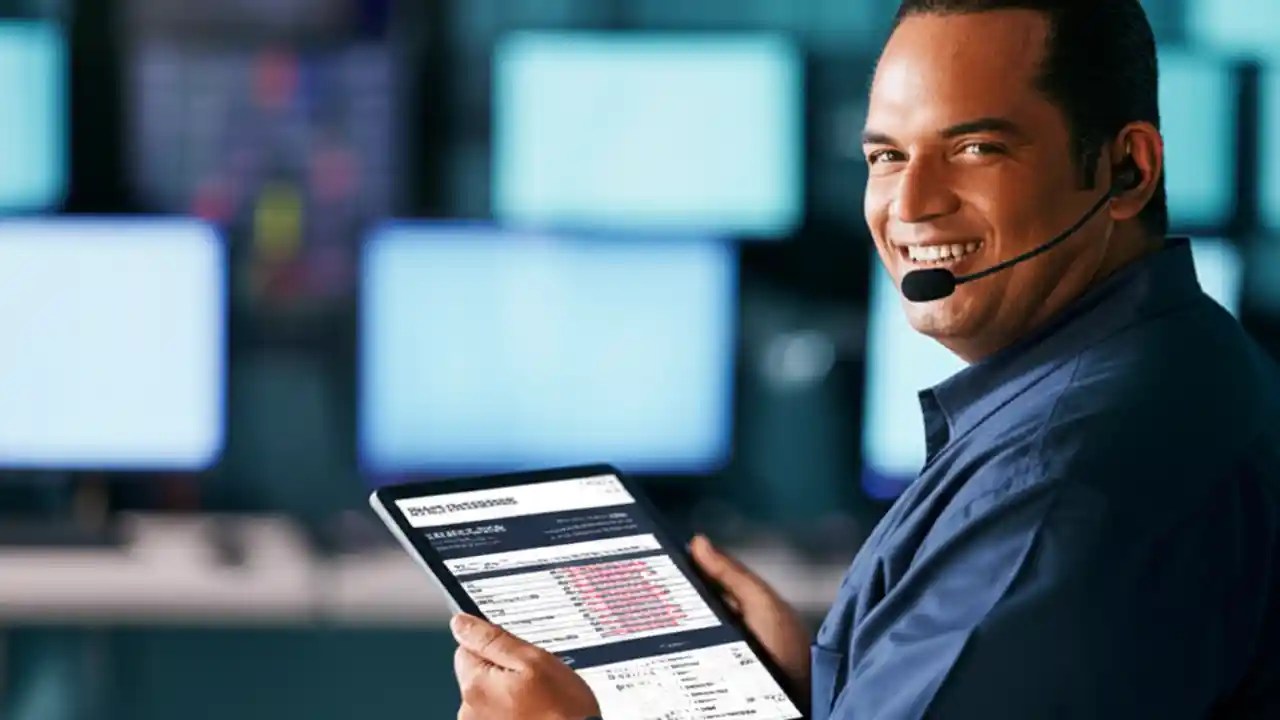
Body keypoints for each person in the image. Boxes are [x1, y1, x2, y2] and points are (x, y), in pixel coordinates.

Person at [448, 0, 1280, 717]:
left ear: (1128, 169)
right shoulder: (1183, 361)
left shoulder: (1058, 486)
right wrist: (824, 688)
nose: (909, 204)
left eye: (976, 148)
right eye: (886, 156)